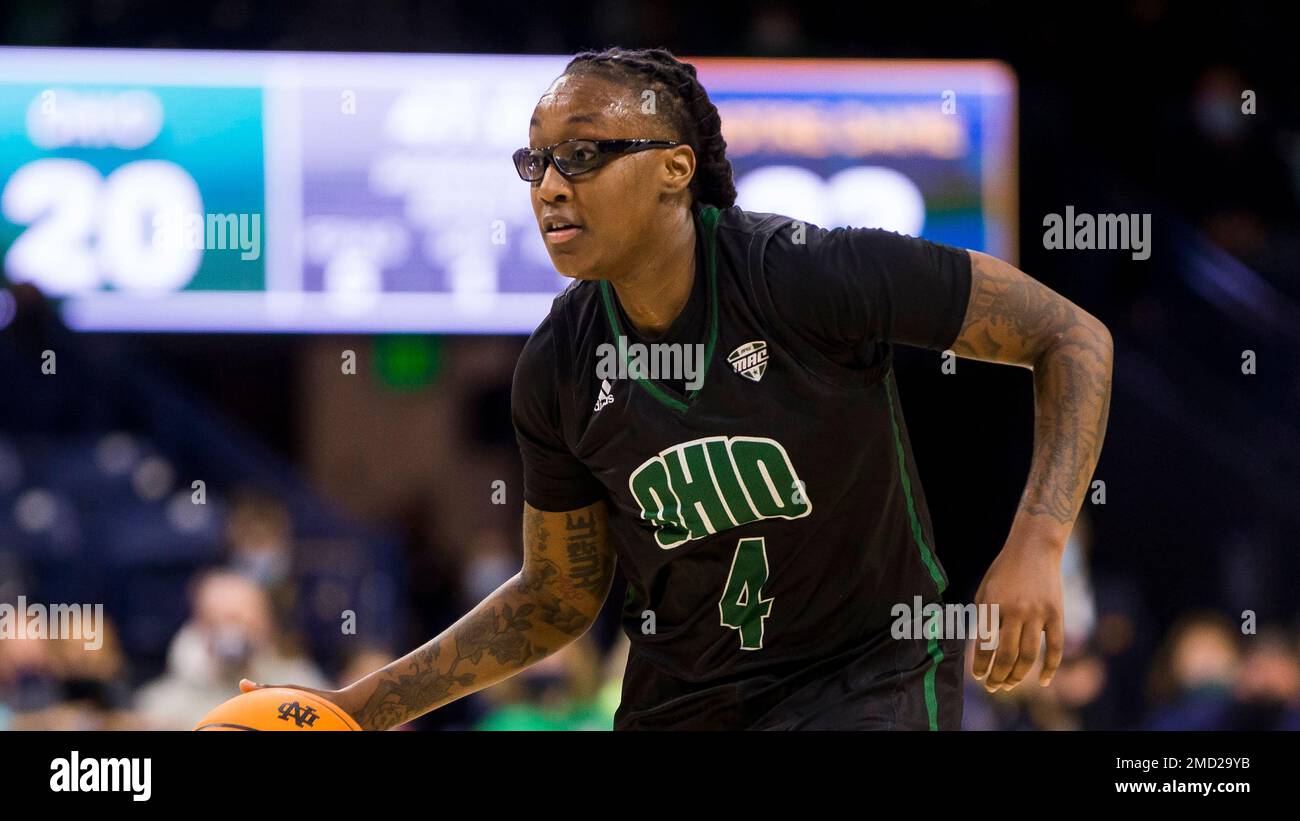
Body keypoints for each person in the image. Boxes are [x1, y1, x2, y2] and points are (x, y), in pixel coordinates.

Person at [243, 46, 1113, 730]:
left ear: (675, 168)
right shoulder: (560, 366)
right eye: (536, 161)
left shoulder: (806, 276)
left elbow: (1070, 335)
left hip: (864, 678)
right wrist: (354, 711)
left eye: (583, 155)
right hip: (685, 700)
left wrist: (1036, 543)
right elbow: (555, 598)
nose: (549, 185)